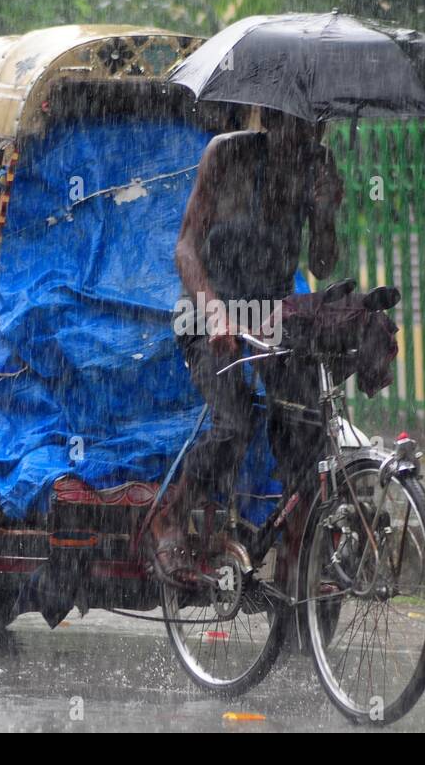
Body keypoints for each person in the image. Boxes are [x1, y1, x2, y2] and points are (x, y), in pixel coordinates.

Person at [143, 107, 344, 586]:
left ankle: (298, 575)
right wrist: (215, 310)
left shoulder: (319, 167)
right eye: (296, 124)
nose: (306, 135)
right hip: (207, 313)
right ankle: (170, 515)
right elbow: (186, 248)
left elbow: (322, 261)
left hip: (272, 316)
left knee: (307, 437)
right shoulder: (226, 154)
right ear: (272, 119)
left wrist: (326, 213)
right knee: (234, 423)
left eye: (315, 126)